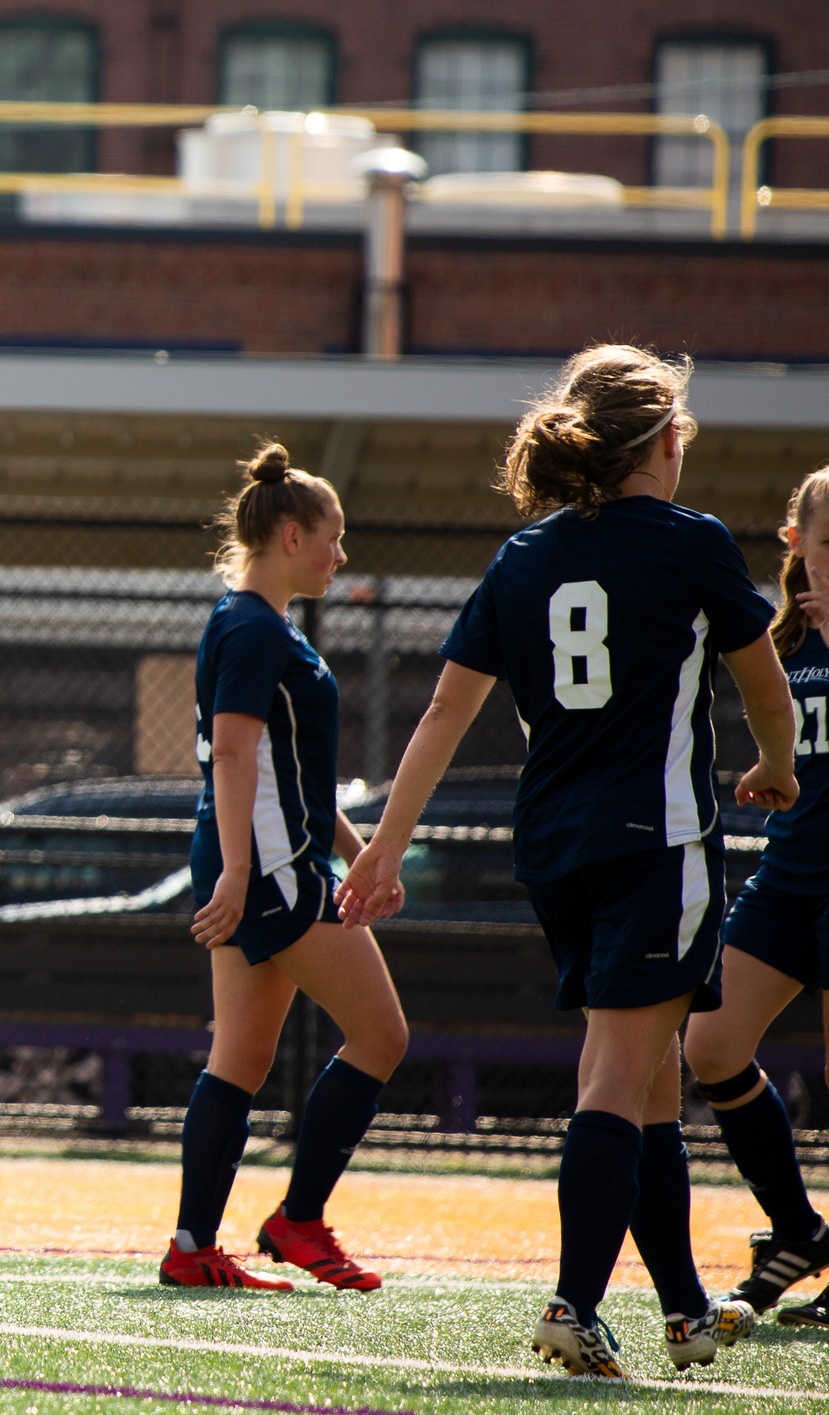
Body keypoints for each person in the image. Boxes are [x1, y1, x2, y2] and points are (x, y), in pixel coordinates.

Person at [340, 346, 789, 1376]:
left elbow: (444, 709)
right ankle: (573, 1302)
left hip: (552, 846)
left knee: (649, 1078)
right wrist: (775, 766)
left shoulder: (522, 554)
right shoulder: (691, 541)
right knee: (617, 1071)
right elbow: (764, 685)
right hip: (654, 841)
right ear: (664, 440)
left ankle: (681, 1307)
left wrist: (386, 845)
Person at [157, 445, 408, 1295]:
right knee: (381, 1036)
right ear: (291, 535)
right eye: (331, 537)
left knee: (239, 1057)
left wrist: (359, 851)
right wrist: (238, 871)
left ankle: (193, 1244)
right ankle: (297, 1219)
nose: (340, 553)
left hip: (264, 858)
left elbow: (287, 770)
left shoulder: (259, 621)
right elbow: (232, 753)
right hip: (269, 867)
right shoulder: (253, 626)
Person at [683, 463, 829, 1323]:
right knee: (709, 1044)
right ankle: (797, 1227)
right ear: (795, 543)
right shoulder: (777, 639)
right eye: (828, 543)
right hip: (788, 874)